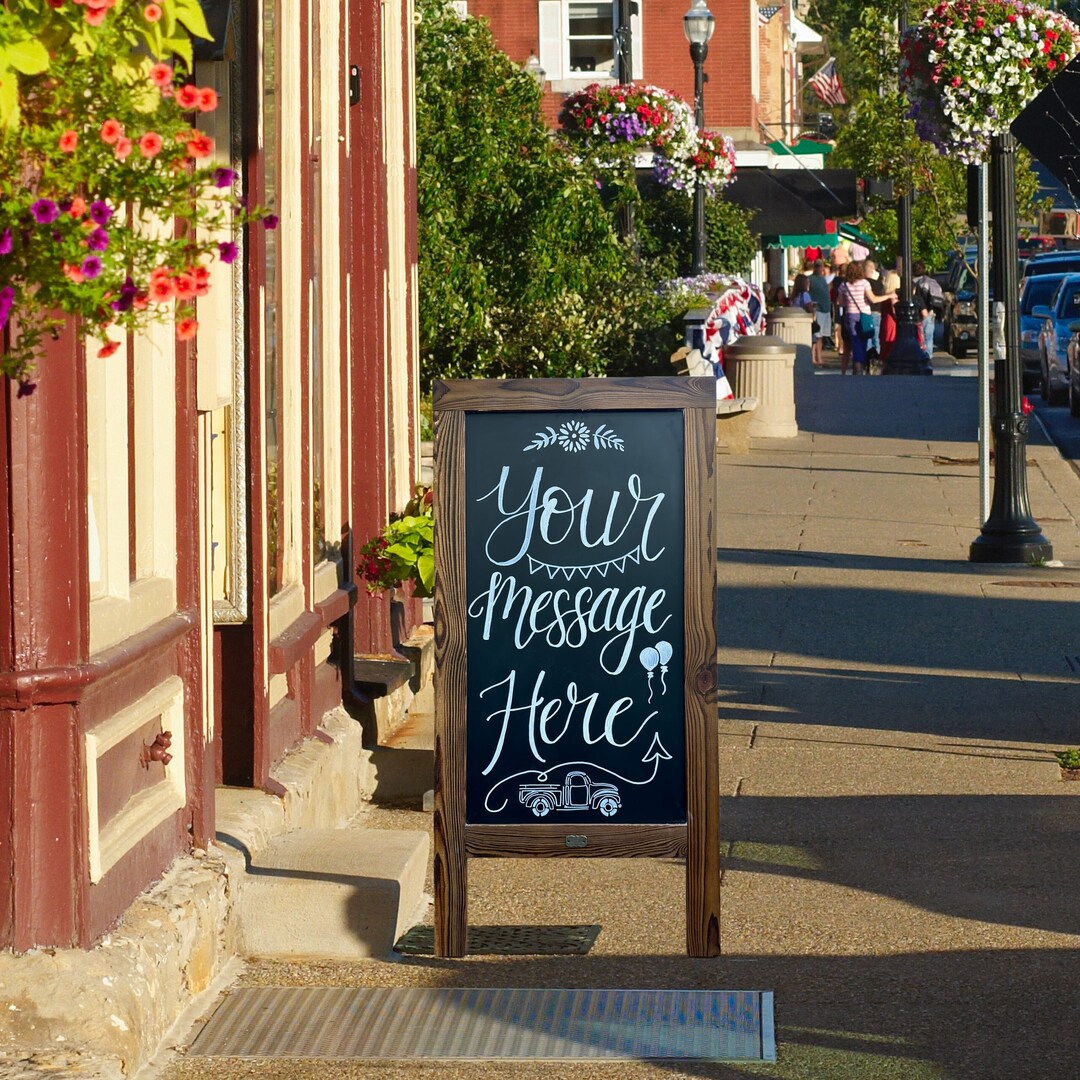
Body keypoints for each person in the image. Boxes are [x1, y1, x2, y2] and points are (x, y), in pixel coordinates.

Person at [838, 261, 896, 375]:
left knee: (854, 340)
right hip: (864, 314)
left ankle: (857, 365)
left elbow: (841, 303)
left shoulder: (843, 285)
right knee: (864, 339)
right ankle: (860, 364)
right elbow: (873, 299)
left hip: (850, 315)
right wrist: (889, 296)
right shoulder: (864, 283)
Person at [913, 259, 943, 353]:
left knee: (916, 339)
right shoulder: (930, 282)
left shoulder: (909, 282)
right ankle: (928, 359)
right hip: (929, 313)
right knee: (928, 339)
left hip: (914, 315)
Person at [808, 259, 833, 366]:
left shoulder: (823, 279)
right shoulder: (810, 279)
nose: (819, 268)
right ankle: (813, 357)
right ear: (814, 267)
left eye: (821, 266)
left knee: (821, 336)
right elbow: (807, 293)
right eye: (817, 266)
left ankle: (819, 357)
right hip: (817, 310)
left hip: (825, 310)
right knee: (815, 335)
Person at [878, 269, 901, 367]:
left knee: (884, 345)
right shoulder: (893, 295)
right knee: (890, 344)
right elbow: (895, 311)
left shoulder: (885, 293)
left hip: (885, 321)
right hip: (892, 323)